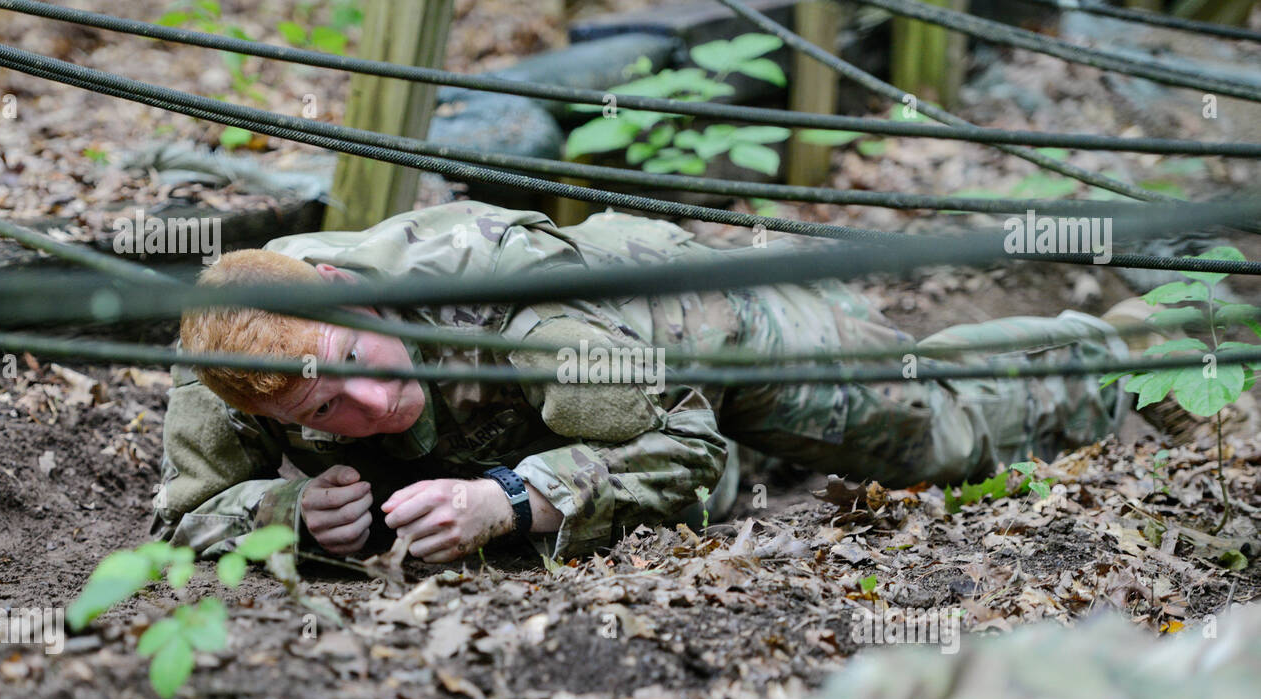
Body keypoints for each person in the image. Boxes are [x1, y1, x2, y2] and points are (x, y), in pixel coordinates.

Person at [152, 201, 1129, 563]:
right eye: (321, 412)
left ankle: (1127, 341)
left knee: (931, 435)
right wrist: (284, 509)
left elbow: (684, 447)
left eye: (360, 368)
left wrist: (510, 500)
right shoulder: (228, 353)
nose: (364, 411)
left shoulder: (501, 296)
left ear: (344, 294)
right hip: (570, 412)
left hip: (689, 330)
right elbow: (184, 514)